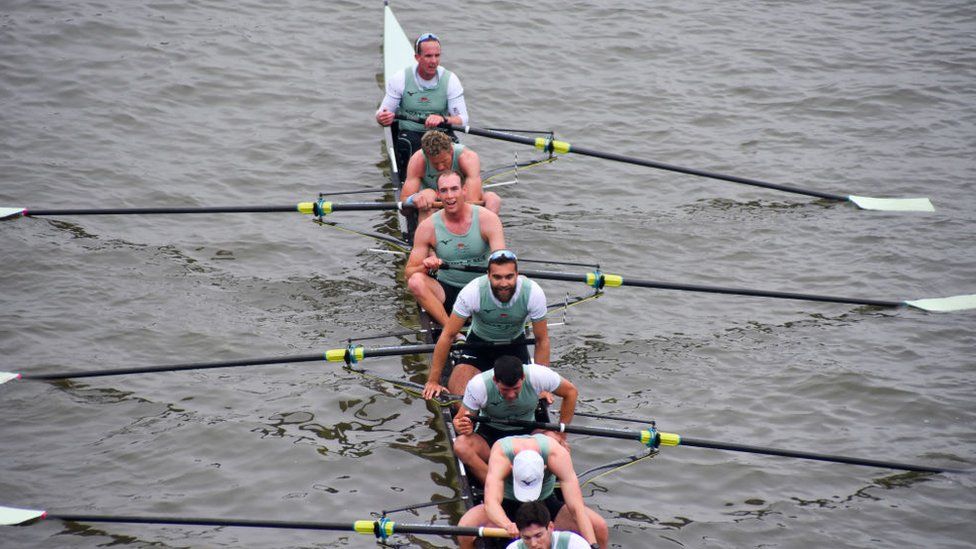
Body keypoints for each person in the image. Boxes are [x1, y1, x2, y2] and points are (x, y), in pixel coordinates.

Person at [423, 249, 549, 400]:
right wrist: (433, 381)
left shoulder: (532, 292)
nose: (504, 283)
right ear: (488, 275)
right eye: (497, 277)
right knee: (460, 398)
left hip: (514, 346)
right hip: (478, 345)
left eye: (509, 277)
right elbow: (448, 336)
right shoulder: (473, 291)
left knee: (519, 398)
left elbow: (541, 340)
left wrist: (543, 387)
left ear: (517, 275)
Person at [457, 433, 608, 549]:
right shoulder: (501, 456)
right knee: (465, 529)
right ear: (511, 468)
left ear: (545, 468)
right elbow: (492, 503)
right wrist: (507, 525)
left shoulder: (556, 455)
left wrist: (592, 544)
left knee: (599, 526)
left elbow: (576, 508)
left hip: (544, 504)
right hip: (508, 504)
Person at [447, 355, 577, 486]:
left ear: (523, 378)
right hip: (490, 438)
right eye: (505, 389)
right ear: (495, 380)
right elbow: (460, 420)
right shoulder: (479, 385)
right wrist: (462, 426)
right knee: (461, 445)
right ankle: (496, 486)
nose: (510, 395)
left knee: (559, 445)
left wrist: (561, 434)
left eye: (516, 389)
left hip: (529, 435)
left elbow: (571, 392)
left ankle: (541, 484)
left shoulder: (537, 375)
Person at [404, 171, 504, 328]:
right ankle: (451, 331)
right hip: (447, 291)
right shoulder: (427, 227)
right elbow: (409, 272)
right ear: (438, 194)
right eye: (444, 191)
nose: (449, 196)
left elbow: (502, 264)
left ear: (464, 190)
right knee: (416, 281)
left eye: (454, 189)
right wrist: (427, 266)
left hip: (481, 289)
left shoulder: (487, 219)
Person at [375, 32, 468, 173]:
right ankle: (410, 178)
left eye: (437, 55)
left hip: (440, 132)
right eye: (428, 56)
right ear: (417, 57)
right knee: (410, 145)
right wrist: (382, 118)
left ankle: (449, 179)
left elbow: (463, 119)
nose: (434, 61)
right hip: (410, 132)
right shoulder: (400, 79)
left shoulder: (450, 80)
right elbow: (382, 114)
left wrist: (443, 119)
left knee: (453, 151)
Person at [401, 130, 500, 220]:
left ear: (451, 151)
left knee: (493, 199)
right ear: (427, 156)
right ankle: (426, 232)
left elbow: (472, 202)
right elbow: (403, 209)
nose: (440, 167)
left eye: (444, 161)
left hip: (462, 198)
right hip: (433, 201)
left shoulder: (468, 157)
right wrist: (413, 199)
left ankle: (488, 230)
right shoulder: (418, 160)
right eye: (435, 163)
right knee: (428, 194)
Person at [506, 501, 593, 549]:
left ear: (551, 527)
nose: (533, 544)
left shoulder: (573, 543)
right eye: (527, 538)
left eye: (538, 535)